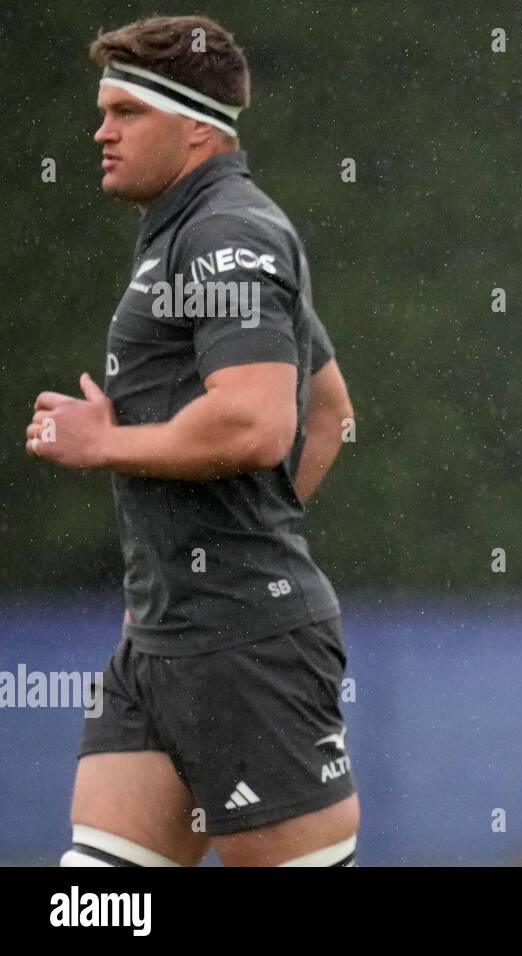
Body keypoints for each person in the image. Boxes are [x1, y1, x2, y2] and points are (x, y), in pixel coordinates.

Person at [25, 15, 359, 867]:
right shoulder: (186, 232)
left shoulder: (227, 235)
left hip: (246, 645)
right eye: (102, 112)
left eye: (125, 112)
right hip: (162, 637)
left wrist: (104, 444)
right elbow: (328, 411)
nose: (100, 132)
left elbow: (258, 421)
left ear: (194, 125)